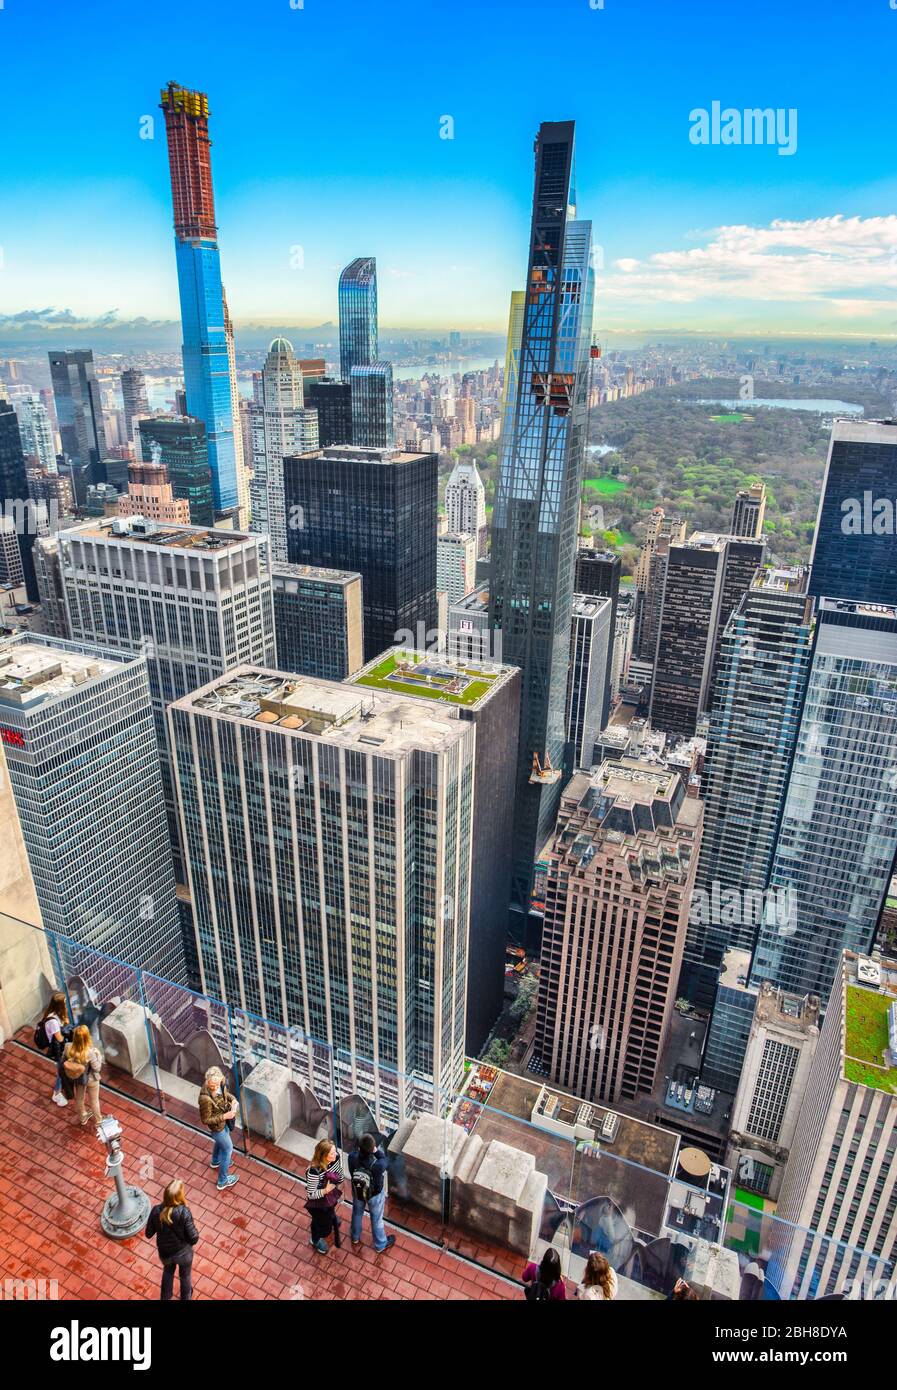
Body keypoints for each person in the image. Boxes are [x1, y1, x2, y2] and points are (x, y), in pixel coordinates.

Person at [145, 1180, 200, 1301]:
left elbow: (148, 1234)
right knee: (185, 1276)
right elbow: (194, 1238)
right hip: (184, 1253)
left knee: (168, 1272)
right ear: (179, 1196)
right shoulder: (184, 1212)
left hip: (165, 1253)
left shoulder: (156, 1211)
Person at [348, 1132, 395, 1254]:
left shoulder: (352, 1157)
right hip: (374, 1195)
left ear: (359, 1148)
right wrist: (376, 1152)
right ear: (372, 1149)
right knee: (376, 1219)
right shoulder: (378, 1165)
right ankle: (380, 1244)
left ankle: (355, 1237)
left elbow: (351, 1171)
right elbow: (386, 1160)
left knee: (357, 1213)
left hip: (357, 1189)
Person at [198, 1066, 239, 1191]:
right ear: (208, 1082)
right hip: (217, 1127)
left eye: (217, 1084)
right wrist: (224, 1116)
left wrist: (233, 1101)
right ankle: (222, 1181)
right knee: (228, 1149)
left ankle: (215, 1161)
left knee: (221, 1142)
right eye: (212, 1085)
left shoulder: (220, 1083)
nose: (216, 1088)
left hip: (223, 1123)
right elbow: (205, 1120)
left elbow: (226, 1095)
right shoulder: (205, 1099)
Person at [59, 1024, 103, 1126]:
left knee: (79, 1099)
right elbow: (97, 1068)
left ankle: (83, 1117)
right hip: (91, 1079)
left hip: (78, 1079)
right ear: (87, 1037)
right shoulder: (90, 1052)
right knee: (94, 1100)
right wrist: (98, 1055)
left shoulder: (67, 1046)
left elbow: (63, 1061)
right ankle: (98, 1121)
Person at [305, 1139, 343, 1254]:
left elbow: (339, 1174)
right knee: (319, 1221)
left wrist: (336, 1181)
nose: (336, 1154)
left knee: (329, 1212)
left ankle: (330, 1217)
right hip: (319, 1203)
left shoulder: (335, 1158)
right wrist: (325, 1190)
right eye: (332, 1153)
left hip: (330, 1197)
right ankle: (315, 1239)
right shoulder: (314, 1171)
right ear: (324, 1156)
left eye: (335, 1151)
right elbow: (311, 1194)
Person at [36, 992, 71, 1106]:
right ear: (60, 1005)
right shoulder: (53, 1022)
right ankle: (56, 1094)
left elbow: (66, 1023)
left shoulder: (54, 1013)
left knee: (63, 1071)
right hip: (58, 1050)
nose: (66, 1003)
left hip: (60, 1047)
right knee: (60, 1073)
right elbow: (60, 1039)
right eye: (64, 1002)